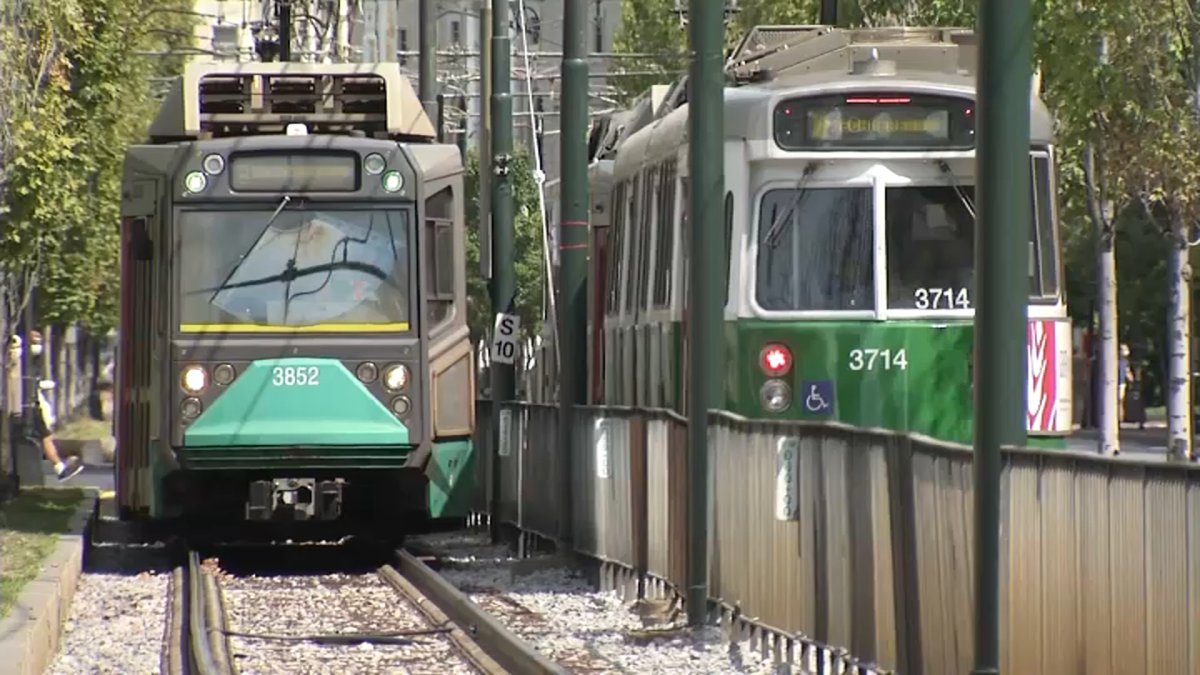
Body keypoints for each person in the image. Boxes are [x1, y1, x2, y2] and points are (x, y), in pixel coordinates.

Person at [8, 333, 83, 481]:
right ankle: (59, 467)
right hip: (26, 403)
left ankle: (59, 466)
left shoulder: (22, 358)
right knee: (44, 435)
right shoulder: (20, 356)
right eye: (35, 342)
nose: (38, 346)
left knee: (43, 435)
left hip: (26, 401)